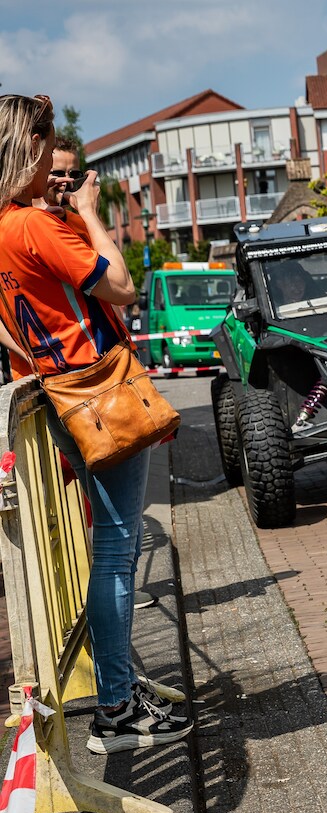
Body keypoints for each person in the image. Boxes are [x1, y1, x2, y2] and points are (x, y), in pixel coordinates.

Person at [0, 93, 192, 753]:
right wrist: (85, 210)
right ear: (23, 147)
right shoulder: (32, 225)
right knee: (115, 552)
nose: (53, 160)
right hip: (100, 392)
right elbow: (121, 285)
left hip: (57, 396)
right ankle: (115, 707)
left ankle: (117, 692)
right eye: (44, 140)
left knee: (109, 550)